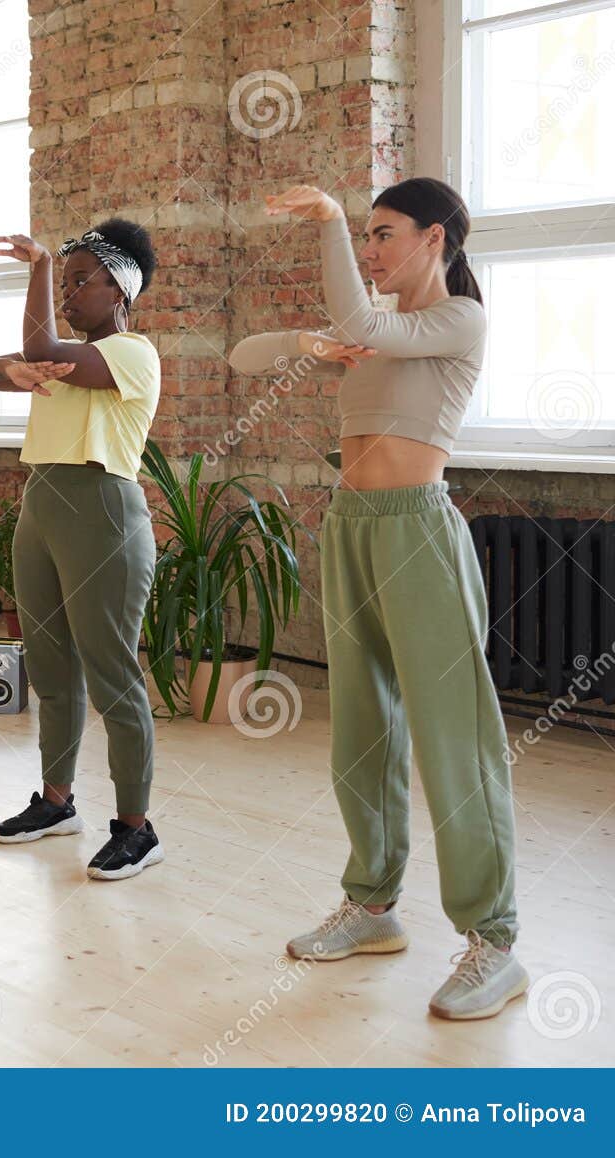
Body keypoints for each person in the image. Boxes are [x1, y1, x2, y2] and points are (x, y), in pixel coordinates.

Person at [229, 178, 525, 1020]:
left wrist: (324, 221)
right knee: (361, 725)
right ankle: (373, 905)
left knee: (451, 736)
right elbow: (243, 356)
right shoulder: (380, 332)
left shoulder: (456, 320)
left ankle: (494, 943)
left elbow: (365, 324)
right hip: (353, 525)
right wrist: (307, 345)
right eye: (362, 233)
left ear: (435, 238)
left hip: (418, 531)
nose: (371, 250)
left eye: (383, 234)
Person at [0, 219, 164, 880]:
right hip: (41, 505)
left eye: (82, 281)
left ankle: (136, 827)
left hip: (102, 509)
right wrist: (13, 369)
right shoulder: (57, 360)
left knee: (111, 672)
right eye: (65, 279)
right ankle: (57, 801)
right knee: (49, 664)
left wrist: (40, 266)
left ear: (120, 288)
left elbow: (42, 343)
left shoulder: (133, 355)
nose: (71, 293)